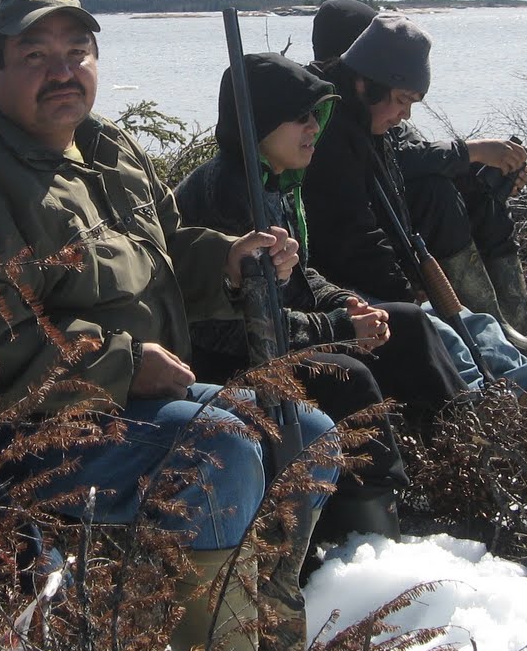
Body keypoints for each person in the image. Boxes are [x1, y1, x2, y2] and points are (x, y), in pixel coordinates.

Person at [0, 0, 339, 651]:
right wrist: (124, 366)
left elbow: (161, 255)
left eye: (78, 52)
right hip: (20, 432)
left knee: (308, 432)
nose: (63, 71)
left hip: (131, 406)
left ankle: (269, 644)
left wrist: (231, 257)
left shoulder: (108, 146)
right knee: (217, 447)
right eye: (36, 55)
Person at [175, 52, 468, 541]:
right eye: (300, 117)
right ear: (261, 122)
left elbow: (300, 275)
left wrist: (348, 304)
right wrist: (339, 329)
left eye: (317, 115)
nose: (314, 128)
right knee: (345, 375)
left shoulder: (276, 178)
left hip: (274, 333)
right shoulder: (225, 191)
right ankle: (366, 530)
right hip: (219, 361)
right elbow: (232, 328)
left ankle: (456, 470)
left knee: (408, 324)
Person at [303, 11, 527, 401]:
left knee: (479, 325)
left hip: (381, 280)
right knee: (449, 337)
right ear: (365, 83)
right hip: (344, 292)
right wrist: (404, 289)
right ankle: (501, 422)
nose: (405, 114)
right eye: (401, 100)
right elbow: (352, 236)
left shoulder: (368, 122)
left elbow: (399, 186)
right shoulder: (330, 133)